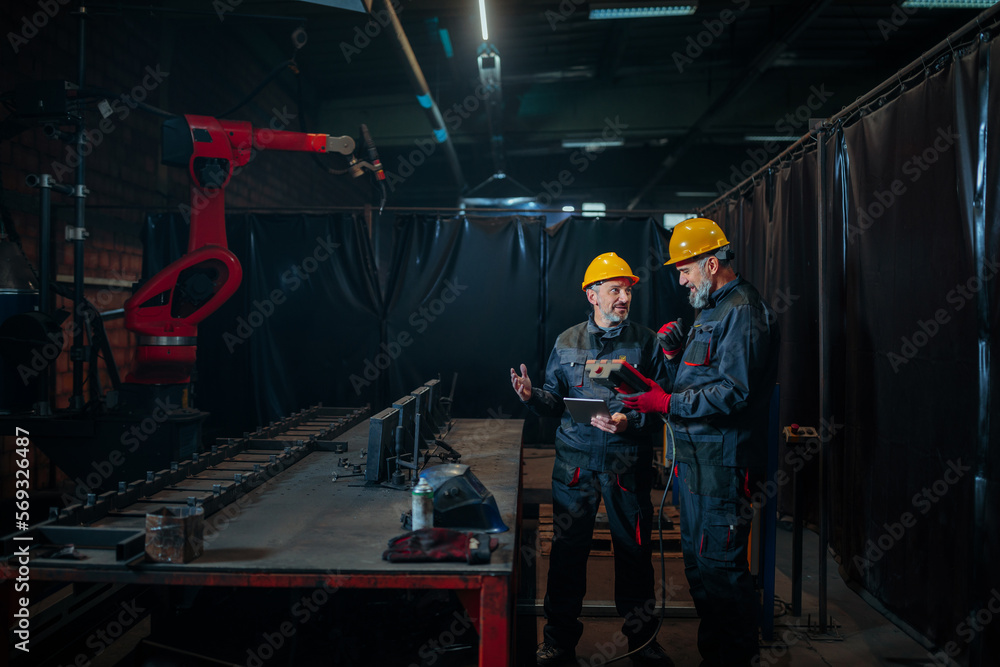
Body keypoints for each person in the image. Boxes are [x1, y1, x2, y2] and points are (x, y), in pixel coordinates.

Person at [622, 218, 780, 667]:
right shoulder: (708, 310)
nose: (680, 278)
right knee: (699, 569)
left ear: (711, 264)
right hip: (695, 463)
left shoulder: (742, 311)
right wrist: (672, 358)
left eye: (685, 269)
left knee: (724, 573)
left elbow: (736, 391)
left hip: (724, 465)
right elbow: (696, 381)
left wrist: (665, 402)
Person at [510, 252, 674, 667]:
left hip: (626, 466)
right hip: (575, 467)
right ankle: (559, 642)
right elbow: (552, 402)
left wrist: (628, 422)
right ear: (592, 294)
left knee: (634, 556)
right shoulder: (567, 342)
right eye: (615, 290)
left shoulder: (647, 342)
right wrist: (532, 397)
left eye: (628, 291)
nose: (623, 298)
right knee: (567, 554)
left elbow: (662, 407)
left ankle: (642, 641)